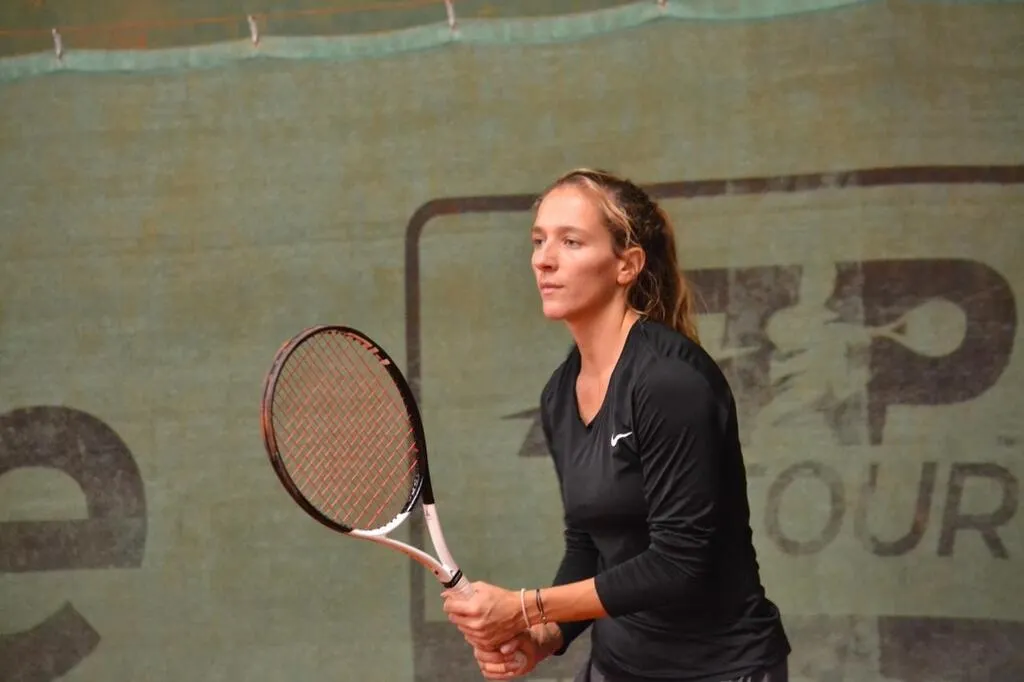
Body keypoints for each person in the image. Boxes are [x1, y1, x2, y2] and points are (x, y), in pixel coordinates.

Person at [442, 168, 791, 682]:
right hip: (617, 667)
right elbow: (590, 543)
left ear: (626, 265)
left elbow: (679, 564)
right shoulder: (560, 394)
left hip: (723, 671)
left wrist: (526, 608)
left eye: (571, 241)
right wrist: (546, 637)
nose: (544, 258)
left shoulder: (671, 382)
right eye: (539, 240)